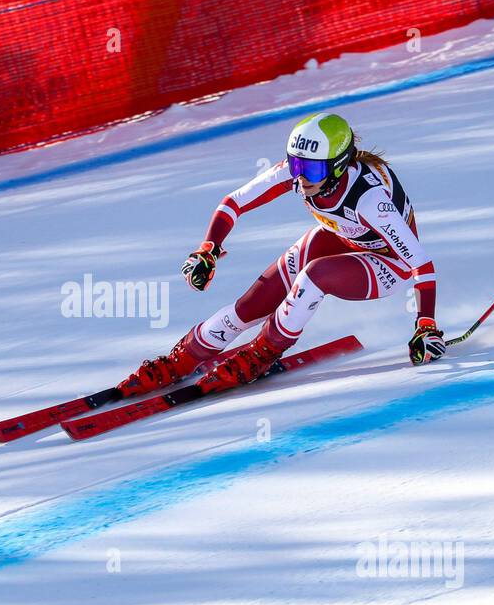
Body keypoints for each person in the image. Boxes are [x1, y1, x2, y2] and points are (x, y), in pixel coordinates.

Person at [119, 112, 445, 395]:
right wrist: (209, 248)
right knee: (250, 305)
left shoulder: (369, 201)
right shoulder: (302, 173)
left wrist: (425, 323)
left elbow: (420, 262)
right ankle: (183, 358)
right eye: (296, 164)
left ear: (338, 167)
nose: (301, 178)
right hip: (343, 236)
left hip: (388, 263)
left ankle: (261, 353)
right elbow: (235, 202)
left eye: (312, 171)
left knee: (313, 276)